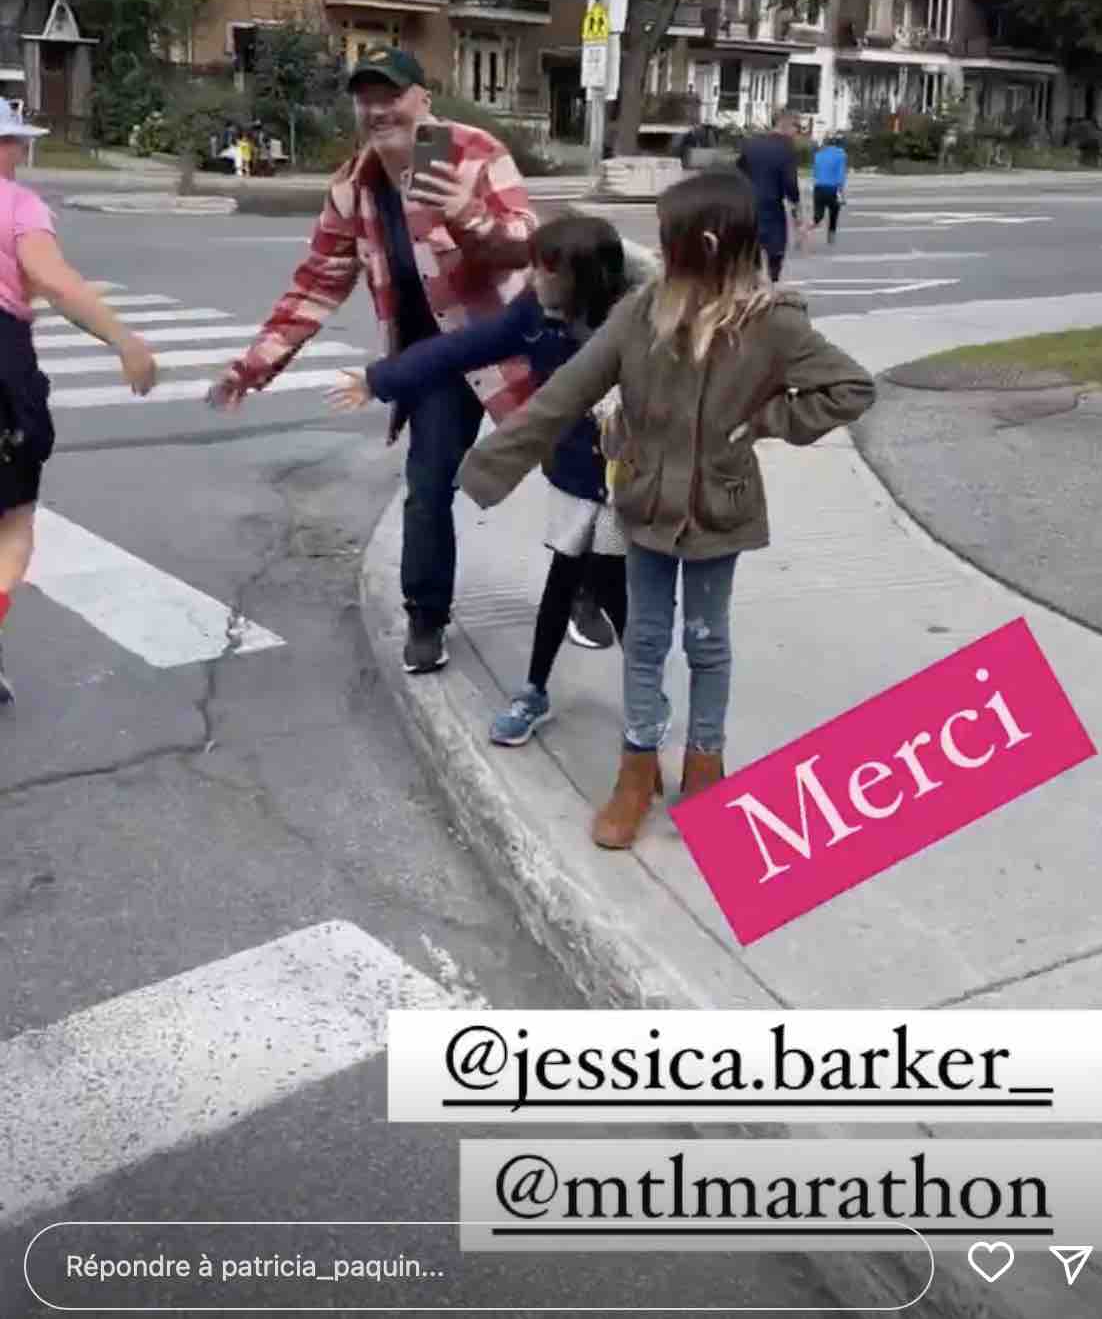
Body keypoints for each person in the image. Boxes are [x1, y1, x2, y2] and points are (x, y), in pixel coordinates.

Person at [458, 170, 875, 850]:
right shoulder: (640, 312)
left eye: (665, 233)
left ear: (703, 242)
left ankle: (705, 767)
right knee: (646, 642)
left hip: (720, 510)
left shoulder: (773, 326)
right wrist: (488, 467)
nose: (652, 246)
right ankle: (636, 773)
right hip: (645, 503)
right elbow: (564, 393)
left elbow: (850, 387)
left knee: (707, 644)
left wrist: (769, 419)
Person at [206, 47, 537, 675]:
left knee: (571, 464)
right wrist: (252, 365)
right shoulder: (352, 188)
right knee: (428, 487)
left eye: (391, 95)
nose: (379, 110)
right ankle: (426, 617)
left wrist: (465, 214)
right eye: (366, 98)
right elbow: (316, 284)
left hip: (507, 340)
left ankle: (592, 584)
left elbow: (525, 243)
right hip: (432, 360)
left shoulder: (475, 153)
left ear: (422, 99)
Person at [330, 213, 653, 745]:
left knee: (614, 587)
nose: (532, 280)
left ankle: (644, 701)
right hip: (573, 470)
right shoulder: (534, 314)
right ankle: (535, 691)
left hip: (629, 477)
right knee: (566, 576)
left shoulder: (644, 318)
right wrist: (377, 378)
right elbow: (462, 347)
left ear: (585, 278)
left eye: (547, 271)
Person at [0, 100, 158, 705]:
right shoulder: (18, 206)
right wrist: (125, 340)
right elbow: (58, 283)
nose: (21, 153)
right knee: (13, 520)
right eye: (14, 143)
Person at [736, 108, 805, 281]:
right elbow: (790, 183)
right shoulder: (786, 147)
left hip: (747, 205)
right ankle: (772, 284)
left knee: (750, 248)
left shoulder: (751, 144)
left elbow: (738, 172)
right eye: (797, 127)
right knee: (775, 250)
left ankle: (751, 283)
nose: (798, 132)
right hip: (771, 206)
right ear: (786, 125)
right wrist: (797, 212)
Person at [811, 133, 848, 245]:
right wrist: (841, 192)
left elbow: (815, 173)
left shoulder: (818, 155)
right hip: (833, 189)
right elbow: (840, 175)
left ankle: (804, 229)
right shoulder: (841, 154)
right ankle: (831, 239)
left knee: (818, 216)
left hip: (819, 188)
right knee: (834, 213)